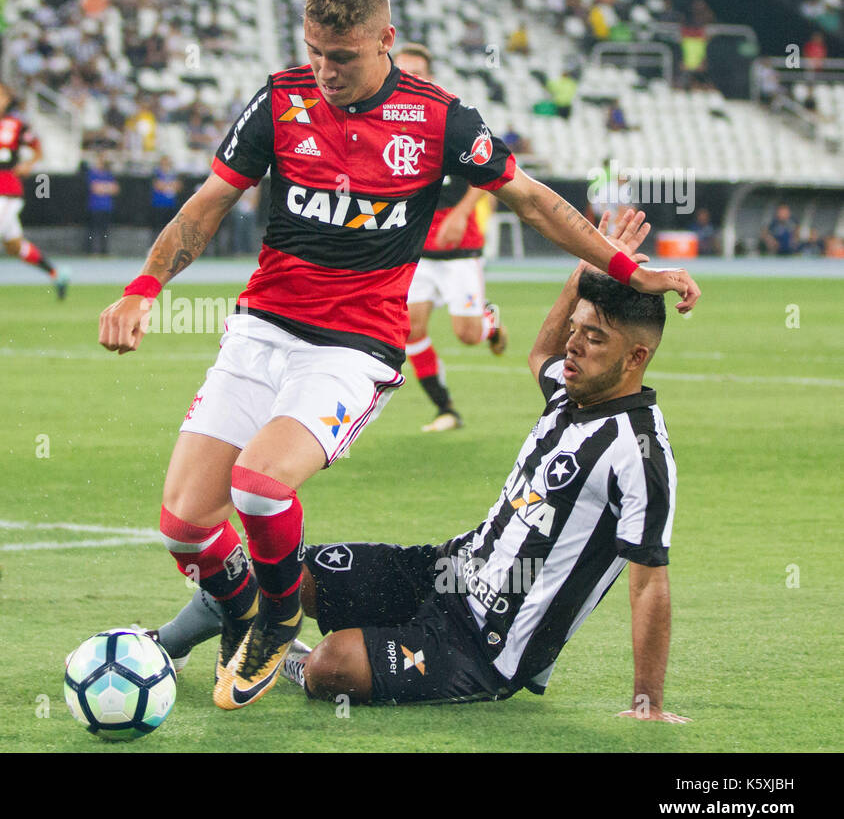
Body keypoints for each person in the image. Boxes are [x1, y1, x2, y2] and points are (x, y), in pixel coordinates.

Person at [98, 0, 700, 712]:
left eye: (343, 56)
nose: (325, 71)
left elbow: (532, 200)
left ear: (385, 40)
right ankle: (244, 610)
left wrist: (619, 266)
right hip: (261, 330)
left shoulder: (440, 119)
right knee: (186, 526)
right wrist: (144, 287)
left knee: (258, 485)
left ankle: (278, 620)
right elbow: (208, 203)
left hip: (352, 348)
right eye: (315, 52)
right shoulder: (280, 101)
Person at [151, 210, 690, 722]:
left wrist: (649, 701)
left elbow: (648, 584)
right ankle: (166, 646)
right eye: (576, 330)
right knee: (285, 572)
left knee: (332, 665)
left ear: (636, 358)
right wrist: (584, 269)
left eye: (594, 339)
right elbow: (538, 354)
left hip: (487, 646)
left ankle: (291, 657)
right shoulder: (569, 391)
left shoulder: (637, 451)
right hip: (448, 569)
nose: (573, 348)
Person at [394, 44, 507, 433]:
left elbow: (491, 170)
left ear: (430, 75)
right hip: (418, 252)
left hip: (459, 248)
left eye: (417, 72)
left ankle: (489, 320)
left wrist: (461, 213)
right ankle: (446, 409)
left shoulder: (451, 116)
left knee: (468, 335)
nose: (409, 77)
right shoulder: (386, 119)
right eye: (402, 70)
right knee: (410, 330)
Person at [0, 80, 67, 327]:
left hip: (8, 192)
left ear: (7, 100)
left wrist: (29, 165)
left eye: (0, 96)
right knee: (13, 246)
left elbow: (37, 147)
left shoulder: (17, 125)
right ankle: (57, 274)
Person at [84, 154, 117, 254]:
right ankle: (91, 252)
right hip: (94, 206)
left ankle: (104, 252)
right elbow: (95, 188)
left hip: (106, 207)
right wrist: (107, 187)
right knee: (93, 230)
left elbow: (115, 189)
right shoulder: (91, 174)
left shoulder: (108, 174)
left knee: (105, 231)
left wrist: (103, 187)